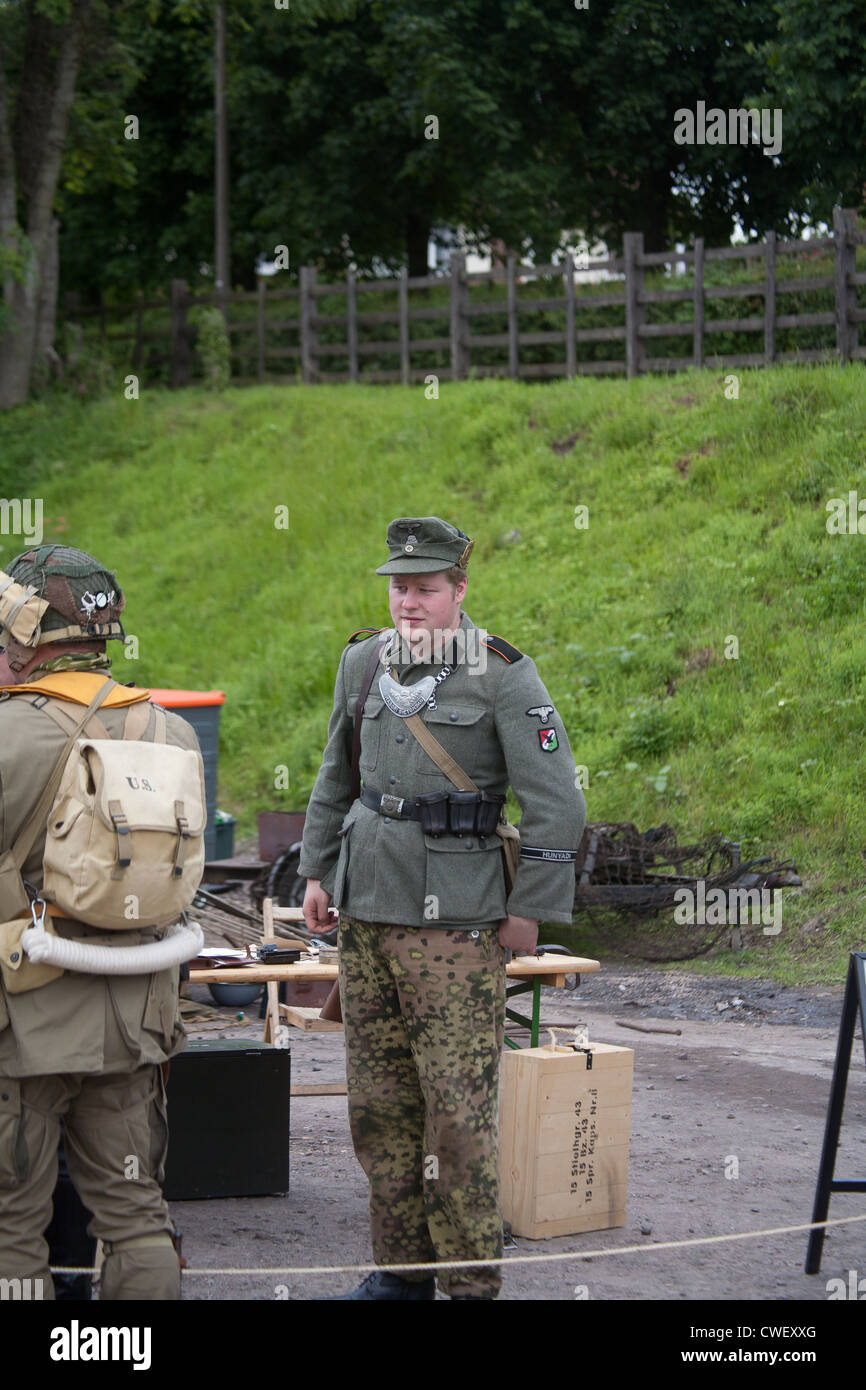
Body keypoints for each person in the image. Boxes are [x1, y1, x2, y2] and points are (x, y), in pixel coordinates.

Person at [300, 516, 586, 1300]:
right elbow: (337, 774)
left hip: (458, 924)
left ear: (460, 589)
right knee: (380, 1105)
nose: (409, 602)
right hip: (366, 910)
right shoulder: (362, 662)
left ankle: (466, 1281)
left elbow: (558, 803)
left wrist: (529, 910)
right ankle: (400, 1271)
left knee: (457, 1116)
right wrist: (318, 872)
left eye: (426, 588)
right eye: (399, 586)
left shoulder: (503, 675)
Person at [0, 544, 202, 1300]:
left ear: (24, 635)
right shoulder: (169, 733)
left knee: (10, 1227)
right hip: (132, 1019)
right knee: (135, 1215)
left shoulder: (8, 735)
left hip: (21, 1021)